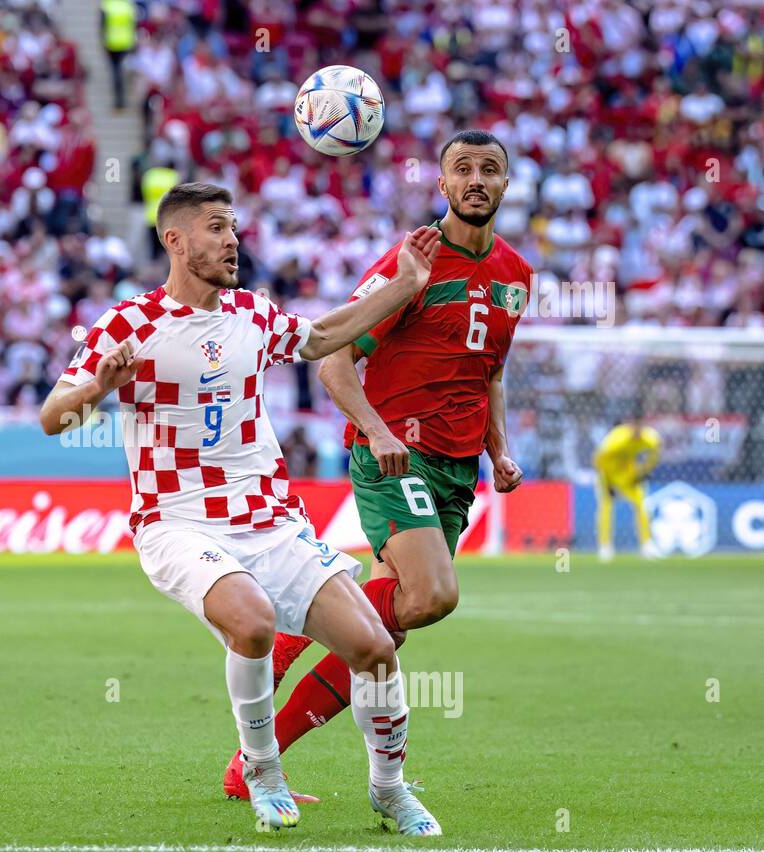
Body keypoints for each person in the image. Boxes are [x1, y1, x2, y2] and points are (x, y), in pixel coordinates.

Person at [40, 181, 444, 834]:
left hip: (270, 522)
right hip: (177, 523)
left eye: (234, 227)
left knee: (375, 649)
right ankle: (262, 768)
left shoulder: (253, 315)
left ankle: (389, 790)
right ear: (175, 240)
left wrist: (402, 286)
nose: (233, 240)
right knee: (252, 622)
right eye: (217, 227)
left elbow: (321, 337)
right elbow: (54, 418)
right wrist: (99, 386)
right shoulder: (128, 324)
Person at [221, 130, 534, 803]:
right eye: (462, 170)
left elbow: (491, 372)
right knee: (432, 596)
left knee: (387, 633)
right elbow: (333, 360)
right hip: (395, 454)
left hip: (457, 467)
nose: (476, 180)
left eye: (490, 170)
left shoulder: (516, 274)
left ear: (507, 185)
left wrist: (497, 447)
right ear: (442, 185)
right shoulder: (412, 261)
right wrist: (377, 428)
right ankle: (296, 619)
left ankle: (252, 765)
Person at [594, 418, 662, 561]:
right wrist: (607, 484)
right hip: (609, 474)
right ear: (630, 426)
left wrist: (643, 471)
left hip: (629, 475)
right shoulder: (616, 439)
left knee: (642, 505)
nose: (637, 431)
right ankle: (605, 546)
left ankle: (647, 545)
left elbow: (656, 453)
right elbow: (598, 460)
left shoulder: (649, 438)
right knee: (606, 507)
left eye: (640, 427)